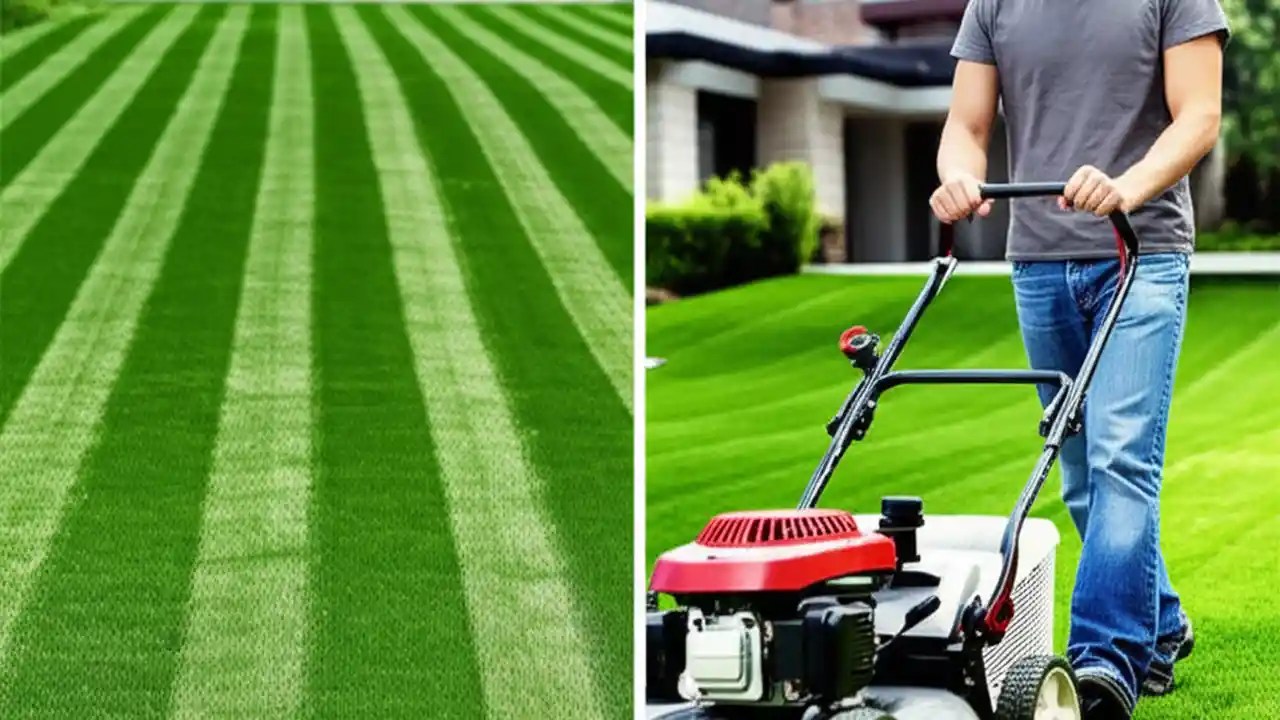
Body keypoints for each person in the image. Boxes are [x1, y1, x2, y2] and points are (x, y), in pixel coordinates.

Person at [930, 1, 1230, 718]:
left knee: (1122, 455)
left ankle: (1104, 663)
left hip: (1142, 250)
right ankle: (1160, 623)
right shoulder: (995, 4)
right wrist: (959, 177)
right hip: (1037, 260)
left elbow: (1199, 115)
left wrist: (1128, 185)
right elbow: (966, 128)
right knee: (1079, 471)